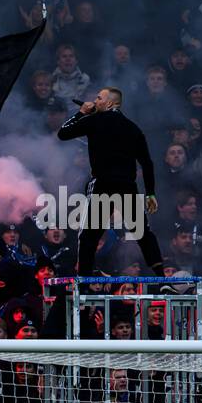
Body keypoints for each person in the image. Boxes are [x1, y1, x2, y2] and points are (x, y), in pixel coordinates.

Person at [56, 86, 163, 276]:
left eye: (98, 98)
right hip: (127, 186)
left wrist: (81, 113)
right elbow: (147, 163)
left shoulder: (94, 120)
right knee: (142, 232)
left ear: (110, 102)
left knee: (89, 235)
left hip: (103, 184)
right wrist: (151, 192)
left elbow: (63, 133)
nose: (95, 101)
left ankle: (85, 282)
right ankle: (162, 278)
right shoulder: (133, 128)